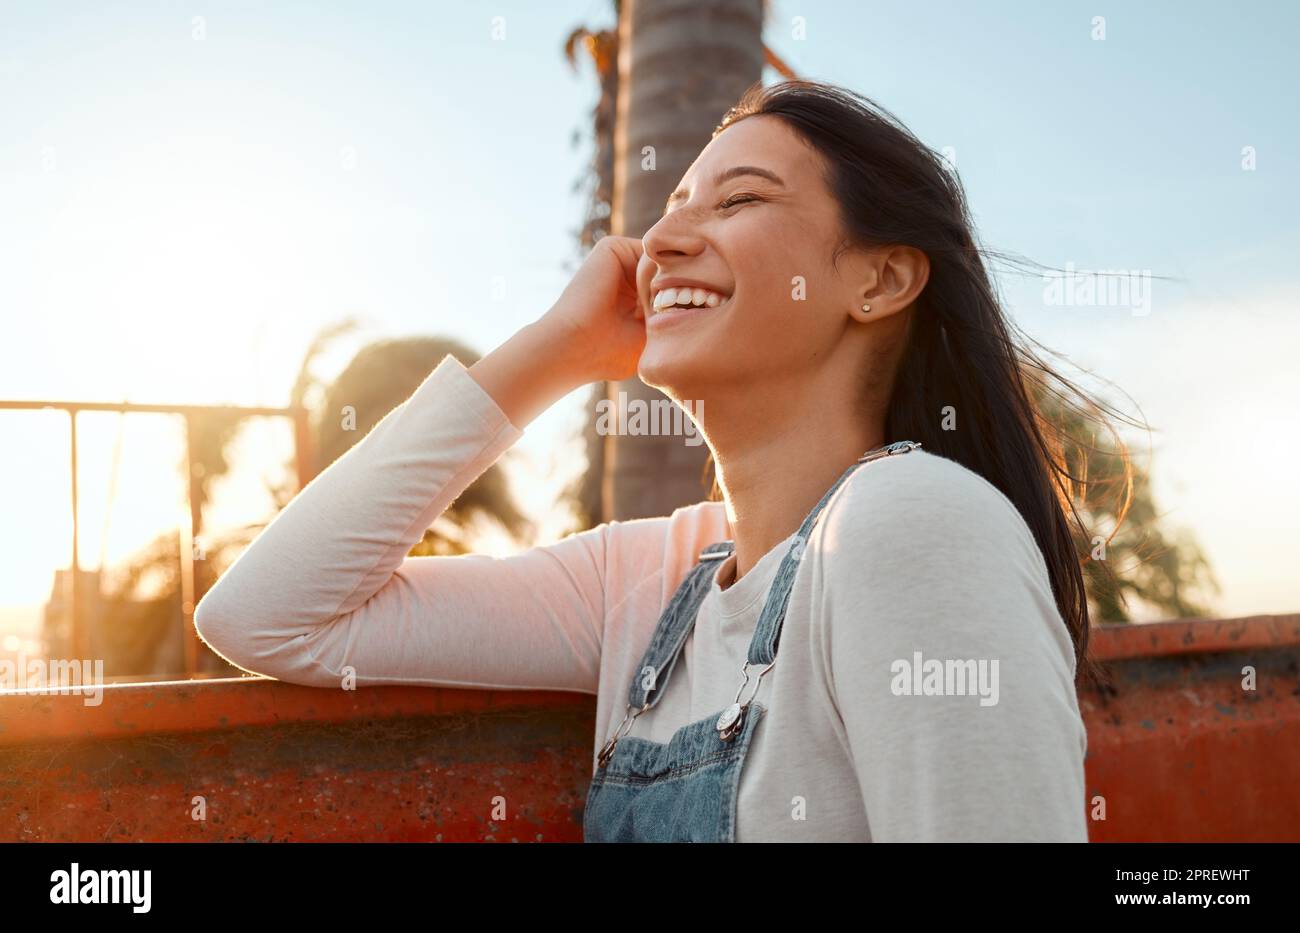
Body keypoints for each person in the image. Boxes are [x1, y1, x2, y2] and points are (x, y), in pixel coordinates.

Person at [196, 80, 1121, 842]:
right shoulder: (645, 581)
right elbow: (269, 617)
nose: (659, 243)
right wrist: (554, 350)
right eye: (671, 209)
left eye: (741, 200)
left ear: (878, 280)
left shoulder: (913, 520)